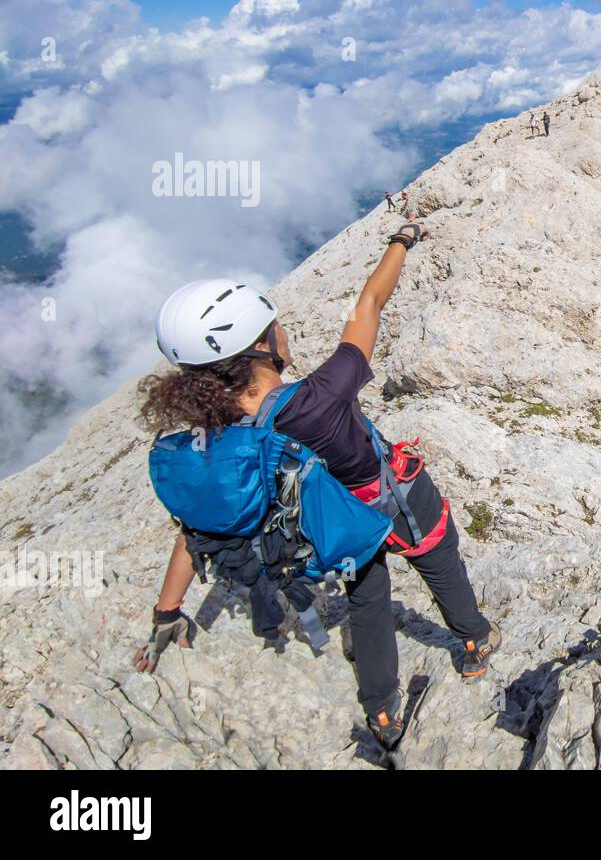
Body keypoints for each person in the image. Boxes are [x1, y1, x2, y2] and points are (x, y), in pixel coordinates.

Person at [134, 223, 501, 753]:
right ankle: (473, 640)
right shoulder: (321, 395)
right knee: (439, 559)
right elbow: (370, 303)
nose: (284, 332)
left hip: (334, 534)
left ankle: (381, 708)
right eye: (275, 325)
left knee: (368, 600)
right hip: (393, 504)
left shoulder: (213, 439)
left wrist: (168, 611)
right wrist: (403, 240)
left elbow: (198, 528)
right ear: (261, 345)